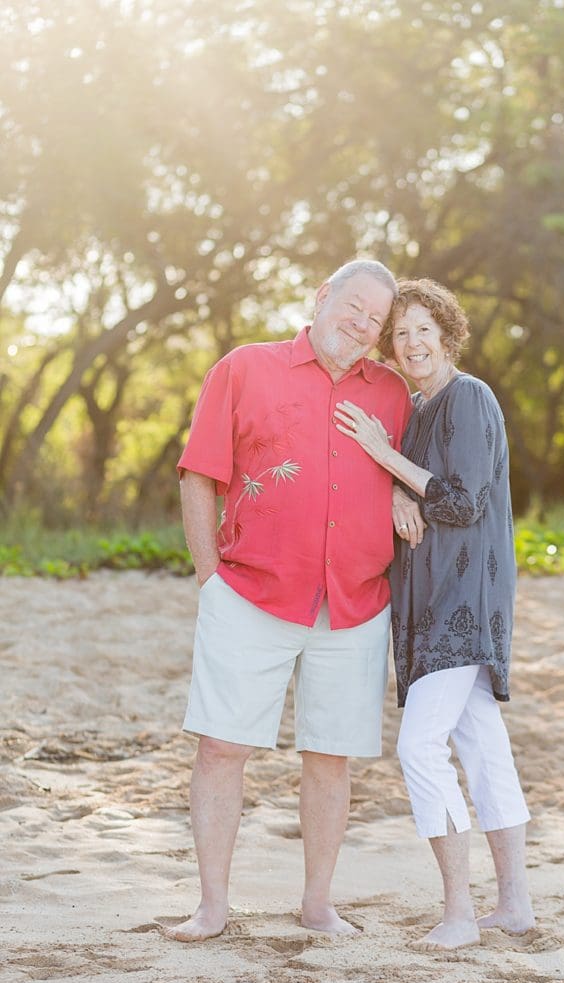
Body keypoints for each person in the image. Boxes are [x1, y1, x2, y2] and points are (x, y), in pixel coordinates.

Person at [166, 259, 414, 942]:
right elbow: (198, 475)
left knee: (330, 757)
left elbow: (416, 472)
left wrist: (401, 491)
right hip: (249, 594)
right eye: (353, 306)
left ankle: (317, 904)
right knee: (222, 748)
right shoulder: (245, 367)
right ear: (322, 296)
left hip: (356, 605)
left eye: (375, 320)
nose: (361, 325)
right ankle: (212, 907)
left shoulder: (394, 393)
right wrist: (210, 579)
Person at [334, 278, 535, 950]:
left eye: (423, 329)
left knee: (419, 747)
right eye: (400, 333)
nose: (412, 342)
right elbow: (418, 489)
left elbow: (461, 502)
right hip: (429, 605)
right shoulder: (419, 409)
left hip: (462, 603)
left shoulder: (467, 396)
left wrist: (384, 456)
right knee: (482, 746)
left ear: (447, 334)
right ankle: (514, 906)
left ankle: (458, 914)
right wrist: (396, 487)